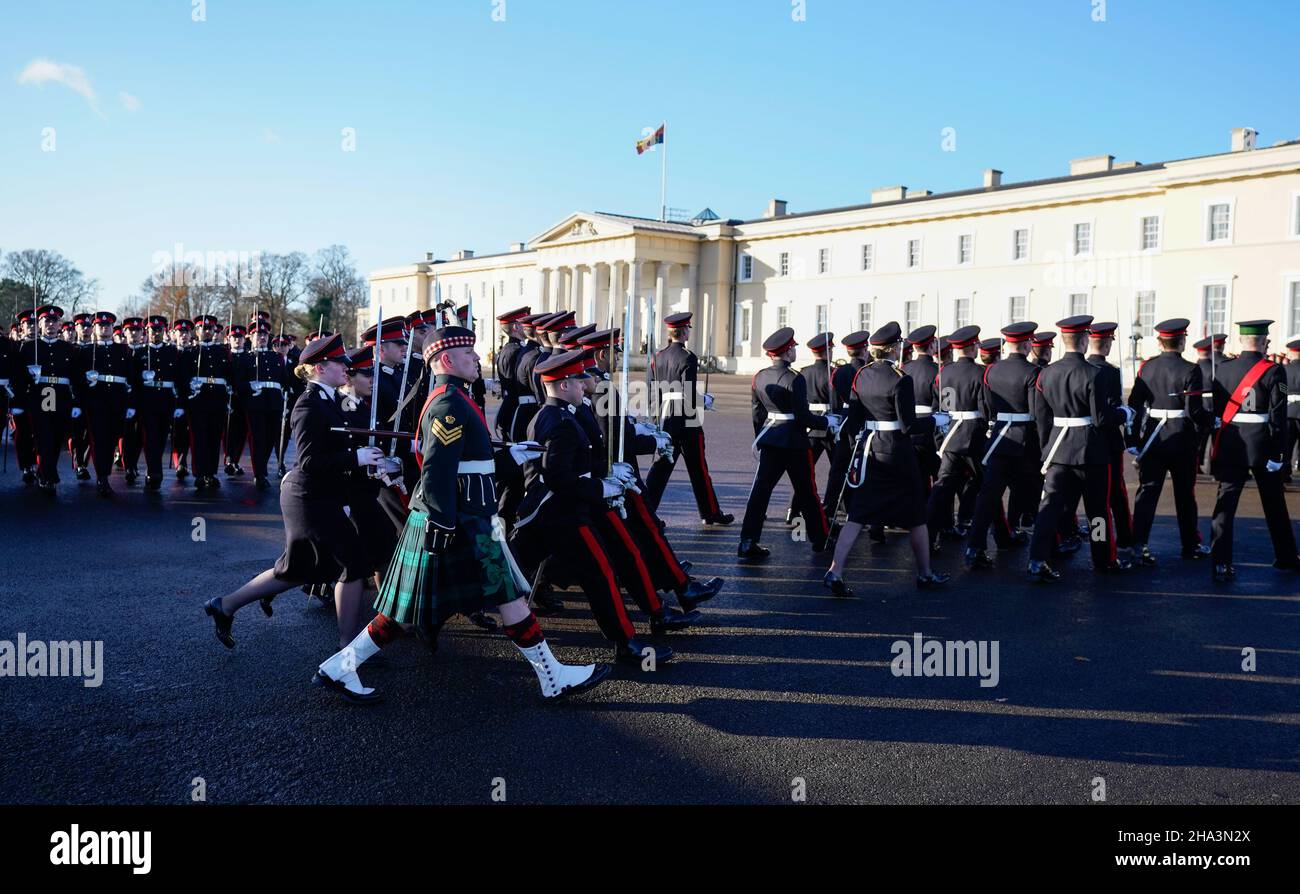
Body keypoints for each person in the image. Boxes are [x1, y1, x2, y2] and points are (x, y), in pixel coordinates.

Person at [312, 327, 610, 703]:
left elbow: (470, 462)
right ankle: (340, 667)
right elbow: (437, 469)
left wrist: (508, 456)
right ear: (448, 360)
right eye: (469, 354)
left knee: (504, 598)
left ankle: (552, 677)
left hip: (467, 518)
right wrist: (442, 521)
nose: (476, 360)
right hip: (457, 521)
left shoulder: (455, 398)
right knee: (408, 610)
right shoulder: (448, 403)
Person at [203, 333, 386, 655]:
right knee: (353, 564)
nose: (346, 368)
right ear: (318, 368)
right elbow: (310, 461)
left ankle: (225, 604)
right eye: (338, 363)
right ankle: (350, 649)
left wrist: (376, 458)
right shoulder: (308, 405)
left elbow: (346, 441)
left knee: (299, 569)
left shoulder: (333, 399)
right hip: (307, 496)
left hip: (323, 494)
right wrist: (355, 458)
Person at [511, 348, 672, 668]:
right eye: (577, 380)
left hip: (559, 510)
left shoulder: (559, 415)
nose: (583, 384)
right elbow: (560, 479)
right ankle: (626, 643)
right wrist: (601, 487)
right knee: (601, 575)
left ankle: (626, 639)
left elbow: (577, 465)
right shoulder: (559, 422)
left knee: (515, 572)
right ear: (563, 384)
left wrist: (605, 474)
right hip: (563, 513)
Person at [824, 322, 950, 596]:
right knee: (916, 515)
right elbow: (908, 426)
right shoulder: (900, 378)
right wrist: (935, 420)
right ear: (894, 348)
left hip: (871, 450)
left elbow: (855, 420)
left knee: (857, 515)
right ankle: (925, 573)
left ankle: (835, 570)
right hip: (897, 453)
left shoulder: (862, 375)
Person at [1026, 315, 1134, 581]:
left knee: (1050, 508)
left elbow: (1042, 418)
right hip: (1091, 452)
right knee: (1098, 512)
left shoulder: (1046, 373)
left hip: (1058, 450)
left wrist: (1046, 450)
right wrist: (1124, 414)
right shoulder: (1093, 374)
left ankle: (1038, 558)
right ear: (1085, 340)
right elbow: (1100, 419)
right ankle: (1103, 558)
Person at [1206, 319, 1300, 582]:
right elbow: (1278, 417)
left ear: (1241, 341)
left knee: (1225, 505)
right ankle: (1286, 557)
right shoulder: (1273, 371)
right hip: (1261, 446)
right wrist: (1279, 454)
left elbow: (1217, 414)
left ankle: (1220, 562)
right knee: (1275, 506)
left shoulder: (1223, 369)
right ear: (1263, 341)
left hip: (1232, 445)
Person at [739, 327, 837, 559]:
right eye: (793, 347)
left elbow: (757, 414)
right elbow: (803, 417)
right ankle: (819, 538)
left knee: (760, 492)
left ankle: (747, 541)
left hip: (771, 439)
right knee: (807, 492)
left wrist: (761, 438)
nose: (794, 351)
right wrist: (826, 422)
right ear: (787, 351)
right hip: (794, 442)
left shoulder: (759, 376)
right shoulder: (795, 378)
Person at [1125, 318, 1212, 564]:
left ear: (1161, 341)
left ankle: (1138, 544)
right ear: (1182, 340)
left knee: (1147, 493)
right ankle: (1191, 544)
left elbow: (1134, 406)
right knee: (1185, 495)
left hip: (1154, 438)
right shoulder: (1190, 369)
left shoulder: (1146, 368)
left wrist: (1132, 438)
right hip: (1182, 438)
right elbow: (1194, 411)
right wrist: (1211, 421)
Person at [644, 311, 732, 524]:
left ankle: (646, 512)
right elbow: (689, 393)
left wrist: (656, 421)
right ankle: (710, 512)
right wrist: (706, 401)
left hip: (665, 417)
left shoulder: (657, 357)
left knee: (659, 471)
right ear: (684, 332)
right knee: (699, 470)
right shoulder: (688, 357)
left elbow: (650, 391)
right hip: (686, 419)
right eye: (688, 329)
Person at [964, 322, 1038, 568]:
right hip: (1024, 441)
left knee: (988, 496)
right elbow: (1036, 413)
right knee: (1035, 494)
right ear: (1027, 344)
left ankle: (975, 547)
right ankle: (1045, 547)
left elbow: (986, 409)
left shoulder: (991, 371)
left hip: (998, 439)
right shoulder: (1033, 372)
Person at [924, 325, 986, 549]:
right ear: (972, 347)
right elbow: (985, 409)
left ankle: (930, 537)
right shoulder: (981, 373)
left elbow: (940, 407)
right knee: (984, 482)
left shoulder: (944, 373)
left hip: (950, 437)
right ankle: (969, 526)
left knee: (942, 487)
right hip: (974, 437)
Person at [13, 305, 80, 495]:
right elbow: (18, 379)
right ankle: (48, 475)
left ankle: (46, 470)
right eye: (46, 321)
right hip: (40, 394)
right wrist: (18, 401)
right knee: (44, 436)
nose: (50, 325)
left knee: (56, 437)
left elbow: (75, 378)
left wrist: (76, 402)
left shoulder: (67, 348)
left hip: (61, 395)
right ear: (40, 324)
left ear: (60, 325)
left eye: (54, 321)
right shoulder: (29, 347)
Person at [1085, 321, 1137, 562]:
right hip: (1107, 442)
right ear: (1106, 344)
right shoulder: (1111, 372)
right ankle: (1123, 538)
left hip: (1078, 443)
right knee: (1114, 495)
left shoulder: (1078, 369)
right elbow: (1112, 408)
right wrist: (1124, 414)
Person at [79, 311, 135, 497]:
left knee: (111, 440)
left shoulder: (124, 350)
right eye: (100, 325)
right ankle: (102, 476)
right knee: (98, 439)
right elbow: (77, 378)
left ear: (112, 328)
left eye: (108, 325)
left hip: (117, 401)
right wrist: (85, 381)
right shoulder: (87, 351)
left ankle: (105, 473)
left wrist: (130, 403)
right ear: (94, 328)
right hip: (96, 400)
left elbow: (131, 378)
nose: (104, 328)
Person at [785, 331, 836, 524]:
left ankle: (794, 509)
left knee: (805, 474)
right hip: (829, 425)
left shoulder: (803, 372)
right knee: (837, 471)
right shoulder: (833, 373)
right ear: (828, 350)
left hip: (810, 426)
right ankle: (829, 510)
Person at [823, 330, 872, 529]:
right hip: (865, 424)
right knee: (864, 469)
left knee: (838, 470)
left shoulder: (840, 372)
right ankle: (859, 512)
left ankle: (828, 510)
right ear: (864, 350)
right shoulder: (868, 371)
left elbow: (834, 402)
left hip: (844, 425)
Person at [234, 319, 288, 490]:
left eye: (264, 334)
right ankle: (260, 473)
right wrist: (249, 386)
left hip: (275, 403)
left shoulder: (277, 357)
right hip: (255, 404)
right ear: (251, 336)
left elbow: (285, 380)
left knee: (271, 439)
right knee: (258, 439)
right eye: (258, 334)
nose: (262, 337)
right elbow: (238, 383)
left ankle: (261, 468)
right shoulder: (245, 358)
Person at [182, 315, 233, 492]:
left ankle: (211, 473)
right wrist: (188, 390)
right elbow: (183, 378)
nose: (207, 331)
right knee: (199, 438)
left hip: (217, 400)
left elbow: (229, 375)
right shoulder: (190, 353)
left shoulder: (223, 352)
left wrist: (229, 390)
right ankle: (199, 473)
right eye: (203, 328)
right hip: (198, 400)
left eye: (210, 329)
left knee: (214, 437)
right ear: (196, 331)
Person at [134, 315, 183, 491]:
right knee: (150, 437)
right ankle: (154, 472)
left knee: (161, 437)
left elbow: (179, 378)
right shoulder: (140, 353)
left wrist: (179, 404)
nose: (156, 333)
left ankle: (154, 468)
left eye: (159, 330)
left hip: (167, 399)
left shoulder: (173, 352)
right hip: (147, 399)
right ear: (147, 331)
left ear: (164, 331)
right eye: (152, 330)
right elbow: (133, 380)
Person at [492, 306, 532, 441]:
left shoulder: (510, 349)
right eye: (523, 323)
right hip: (514, 408)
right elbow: (513, 386)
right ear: (516, 327)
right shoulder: (515, 351)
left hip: (511, 406)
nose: (527, 326)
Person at [1284, 337, 1299, 482]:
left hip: (1288, 411)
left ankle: (1285, 473)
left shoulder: (1284, 369)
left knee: (1286, 445)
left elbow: (1280, 389)